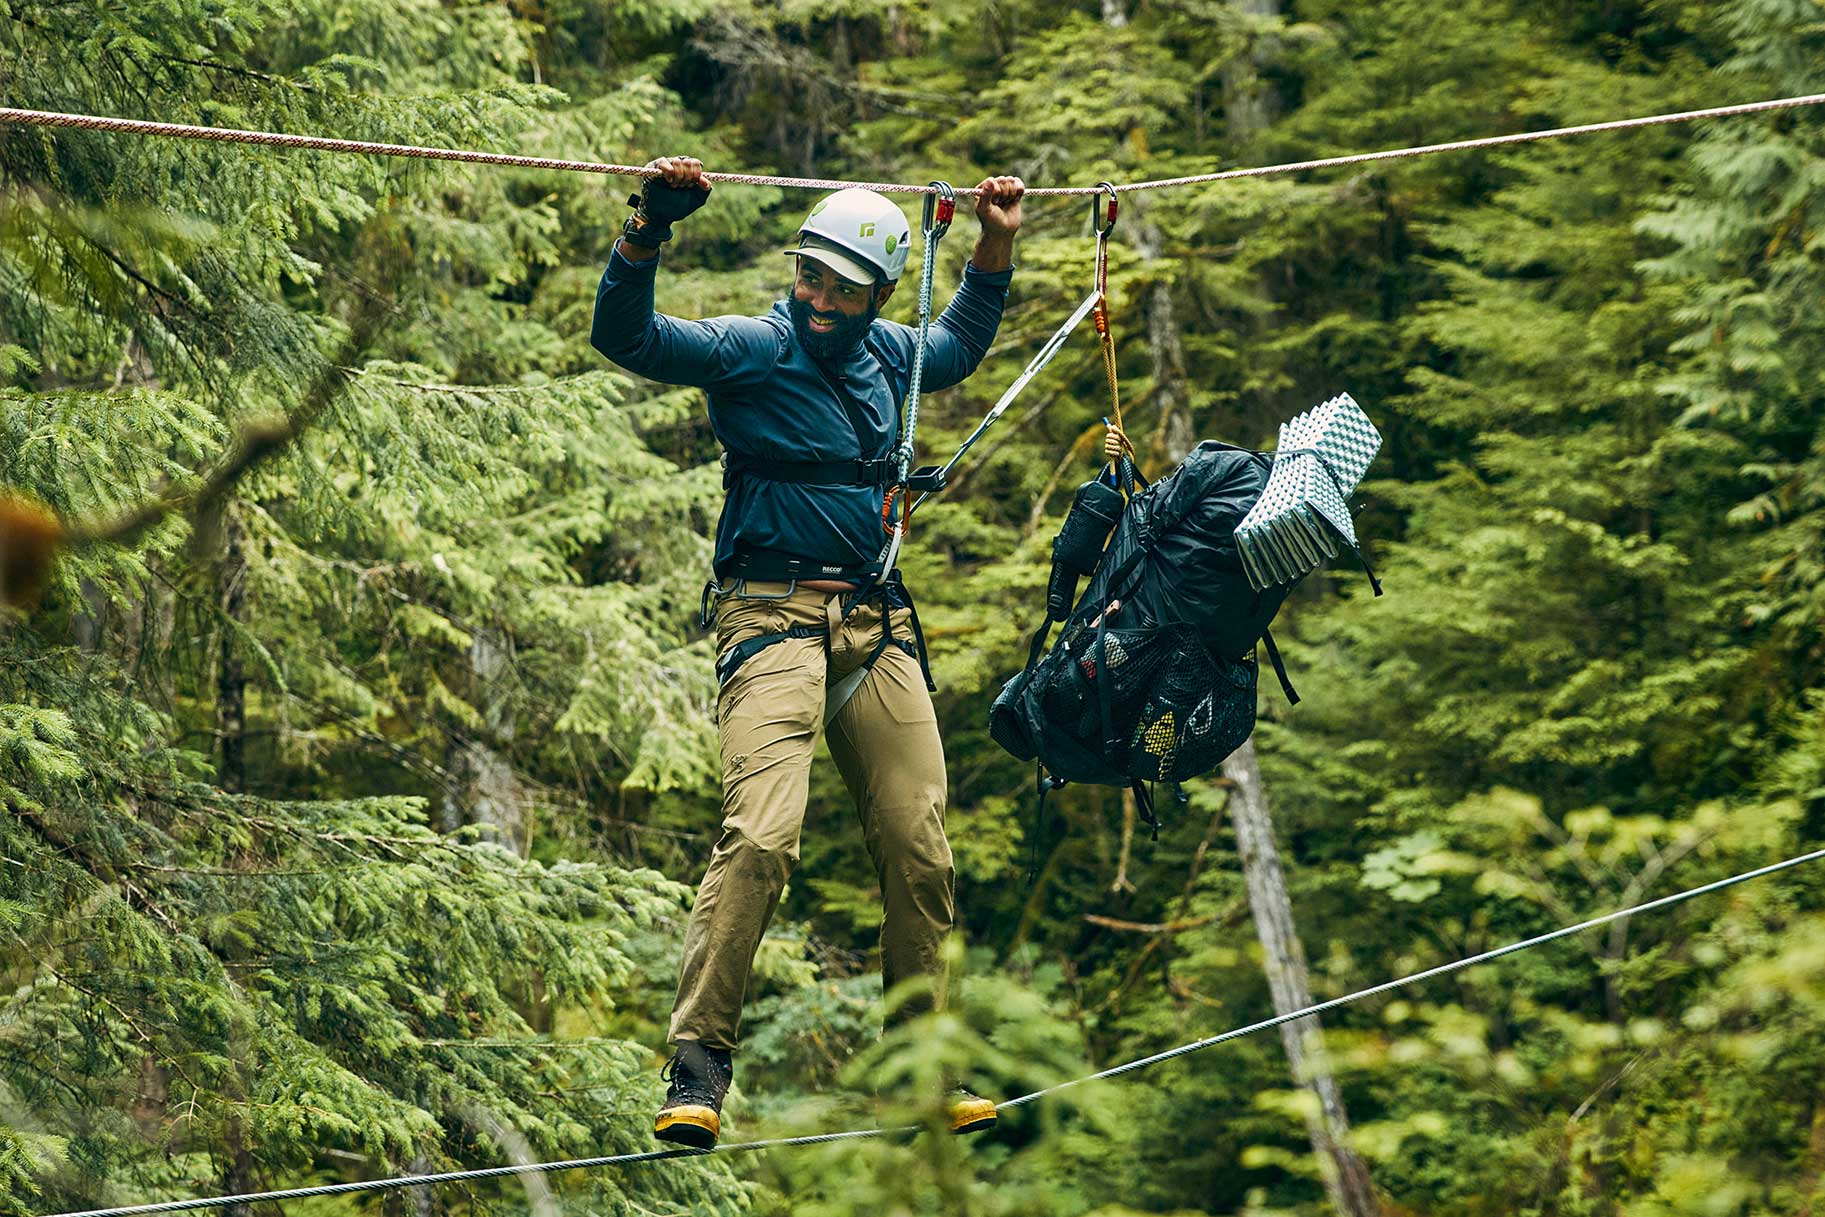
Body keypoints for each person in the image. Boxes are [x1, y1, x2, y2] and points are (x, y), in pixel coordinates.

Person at [590, 156, 1026, 1149]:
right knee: (762, 835)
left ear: (875, 294)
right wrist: (645, 231)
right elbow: (629, 337)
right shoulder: (754, 346)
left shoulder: (886, 356)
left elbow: (954, 346)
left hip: (875, 623)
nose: (819, 297)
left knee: (919, 841)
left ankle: (924, 1069)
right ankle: (696, 1066)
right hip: (769, 616)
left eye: (841, 286)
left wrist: (995, 244)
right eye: (810, 277)